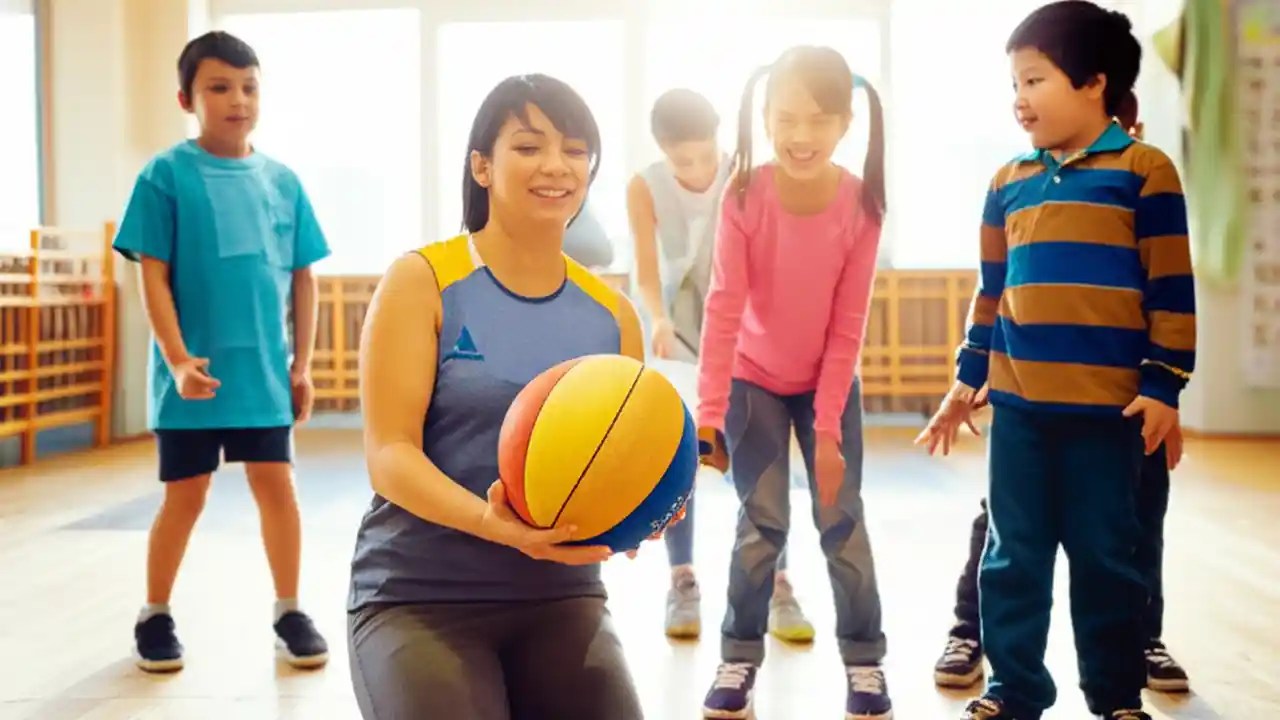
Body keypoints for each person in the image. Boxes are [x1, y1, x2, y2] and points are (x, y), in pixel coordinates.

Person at [917, 3, 1196, 719]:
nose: (1019, 97)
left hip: (1111, 416)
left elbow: (1170, 287)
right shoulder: (1008, 180)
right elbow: (991, 295)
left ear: (1094, 82)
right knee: (1012, 559)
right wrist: (965, 381)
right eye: (1014, 81)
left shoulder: (1144, 171)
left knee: (1108, 561)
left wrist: (1165, 385)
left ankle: (1115, 695)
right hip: (1019, 414)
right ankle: (1014, 690)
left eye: (1035, 79)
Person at [346, 74, 649, 720]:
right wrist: (491, 524)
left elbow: (622, 458)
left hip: (562, 598)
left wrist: (644, 504)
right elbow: (389, 454)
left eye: (574, 150)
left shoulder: (612, 316)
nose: (555, 166)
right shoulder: (421, 281)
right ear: (481, 166)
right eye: (529, 146)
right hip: (420, 596)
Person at [112, 31, 330, 674]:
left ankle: (289, 609)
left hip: (263, 376)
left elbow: (303, 276)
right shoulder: (164, 176)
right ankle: (155, 613)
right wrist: (177, 358)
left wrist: (302, 367)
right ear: (187, 97)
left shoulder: (283, 181)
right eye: (219, 87)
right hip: (193, 379)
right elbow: (150, 272)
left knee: (278, 488)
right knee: (187, 494)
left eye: (249, 86)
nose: (238, 99)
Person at [695, 46, 891, 720]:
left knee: (843, 523)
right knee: (761, 526)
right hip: (753, 383)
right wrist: (709, 415)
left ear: (845, 123)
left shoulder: (861, 205)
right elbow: (723, 307)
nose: (800, 135)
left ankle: (865, 666)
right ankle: (738, 657)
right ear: (766, 118)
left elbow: (849, 325)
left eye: (818, 119)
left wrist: (830, 428)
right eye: (786, 119)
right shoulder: (745, 193)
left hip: (826, 386)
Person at [628, 88, 812, 642]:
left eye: (705, 155)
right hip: (676, 336)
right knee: (680, 457)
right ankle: (682, 581)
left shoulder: (748, 174)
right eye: (684, 160)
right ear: (663, 152)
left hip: (744, 334)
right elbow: (642, 269)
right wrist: (657, 318)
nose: (698, 168)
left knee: (757, 463)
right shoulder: (645, 186)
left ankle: (778, 584)